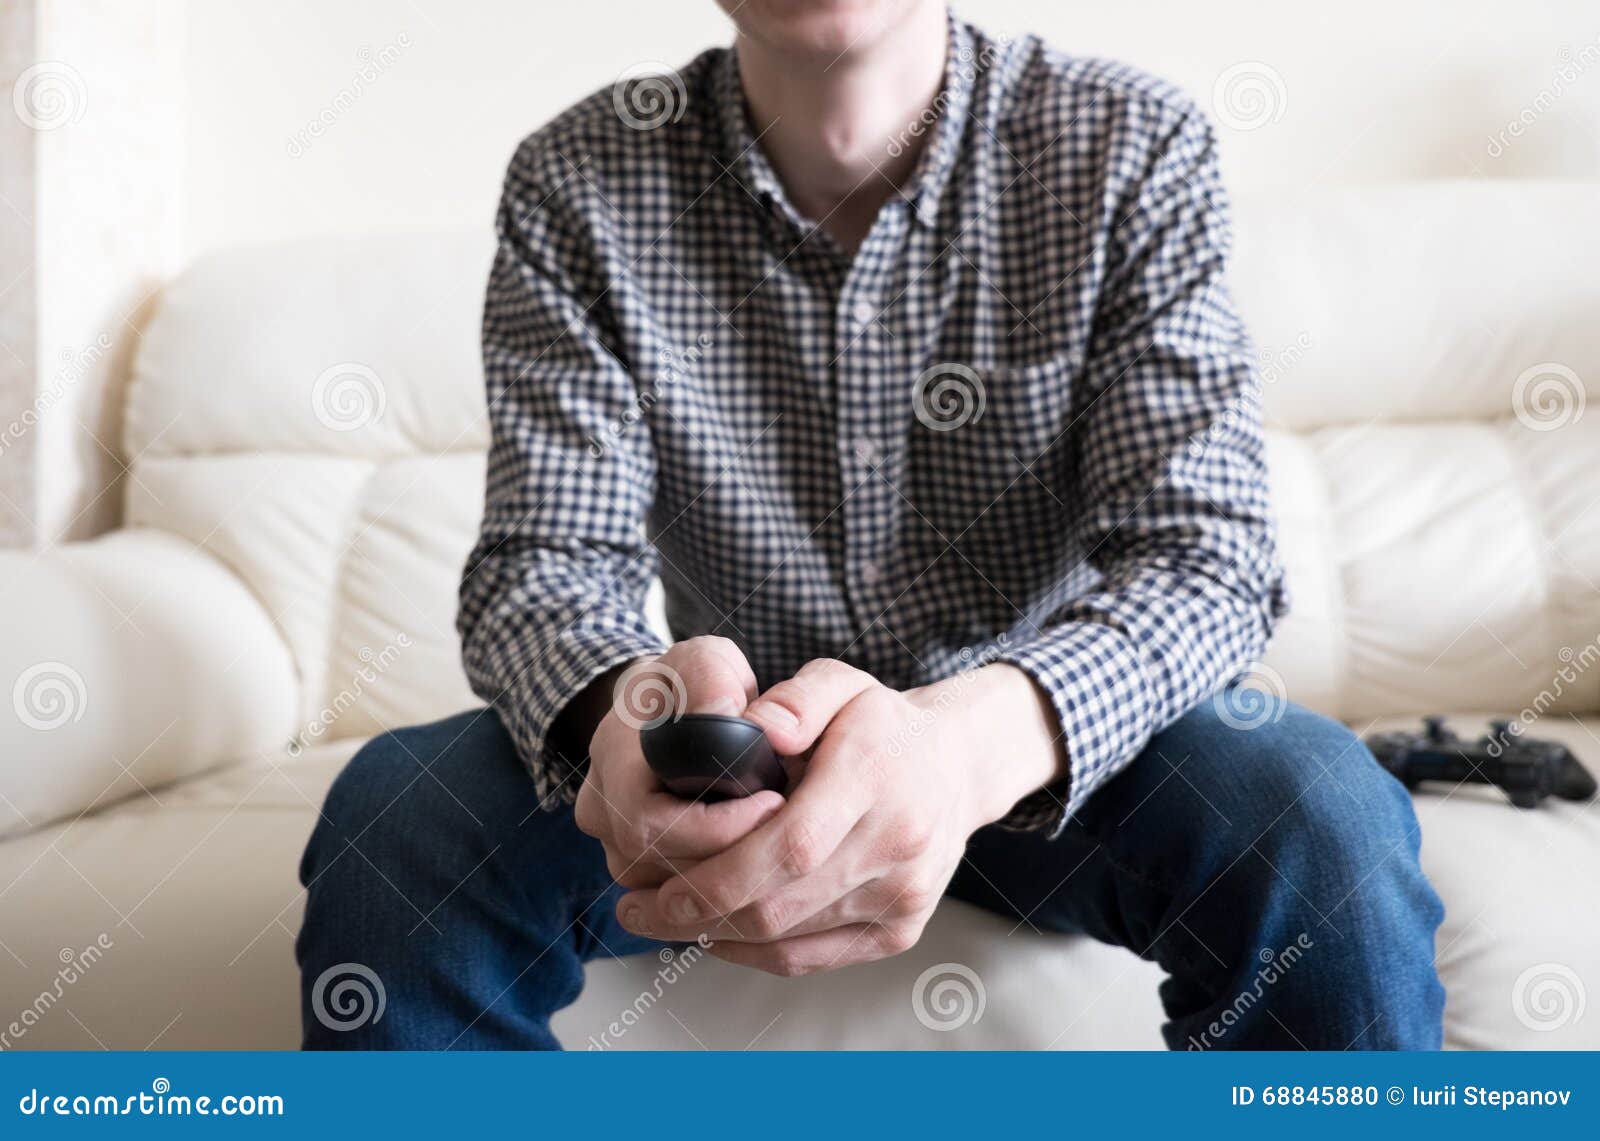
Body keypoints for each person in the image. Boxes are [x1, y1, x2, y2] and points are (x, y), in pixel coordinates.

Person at [297, 0, 1445, 1050]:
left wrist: (957, 748)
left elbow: (1207, 555)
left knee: (1316, 815)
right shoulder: (580, 176)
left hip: (1041, 746)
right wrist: (623, 709)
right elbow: (543, 566)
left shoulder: (1125, 143)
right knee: (400, 820)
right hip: (732, 763)